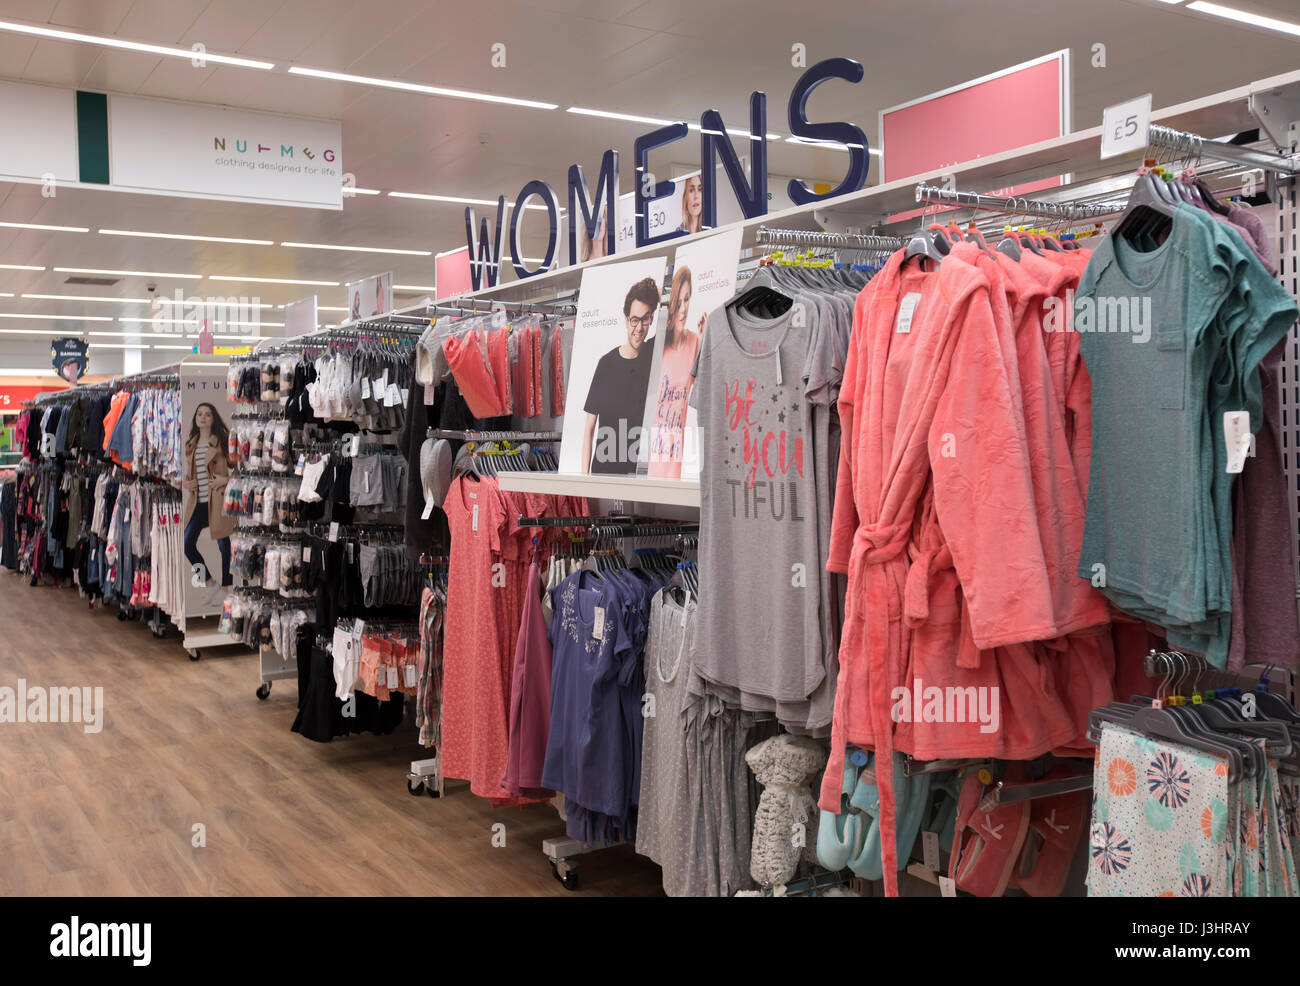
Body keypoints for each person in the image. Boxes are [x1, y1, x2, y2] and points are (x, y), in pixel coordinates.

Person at [581, 276, 659, 475]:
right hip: (605, 472)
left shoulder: (654, 353)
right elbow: (589, 429)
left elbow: (679, 319)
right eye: (634, 320)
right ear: (626, 320)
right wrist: (583, 480)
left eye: (645, 319)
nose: (639, 328)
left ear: (651, 319)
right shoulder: (606, 364)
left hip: (641, 472)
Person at [647, 265, 705, 478]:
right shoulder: (658, 347)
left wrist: (706, 340)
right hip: (653, 457)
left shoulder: (695, 342)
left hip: (682, 460)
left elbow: (703, 395)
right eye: (678, 302)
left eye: (687, 299)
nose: (683, 309)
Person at [182, 402, 235, 587]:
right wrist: (187, 483)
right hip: (198, 502)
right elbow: (191, 475)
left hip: (217, 500)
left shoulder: (222, 441)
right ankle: (209, 581)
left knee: (224, 546)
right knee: (187, 544)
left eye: (208, 414)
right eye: (199, 414)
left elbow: (241, 470)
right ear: (195, 419)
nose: (203, 417)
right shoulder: (192, 444)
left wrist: (225, 480)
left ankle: (227, 586)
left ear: (213, 419)